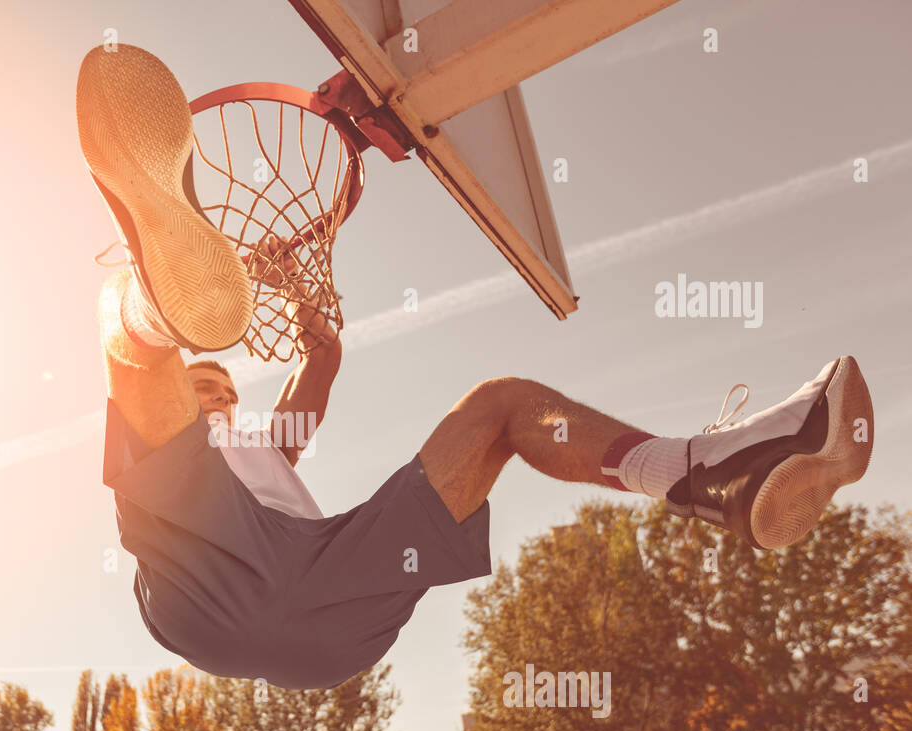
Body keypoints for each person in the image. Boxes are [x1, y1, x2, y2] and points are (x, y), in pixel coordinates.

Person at [77, 44, 875, 690]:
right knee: (147, 397)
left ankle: (703, 474)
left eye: (217, 385)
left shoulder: (264, 451)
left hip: (325, 606)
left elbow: (319, 368)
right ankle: (152, 305)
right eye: (205, 384)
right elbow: (176, 430)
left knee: (502, 405)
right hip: (206, 573)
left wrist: (308, 314)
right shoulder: (188, 462)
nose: (216, 393)